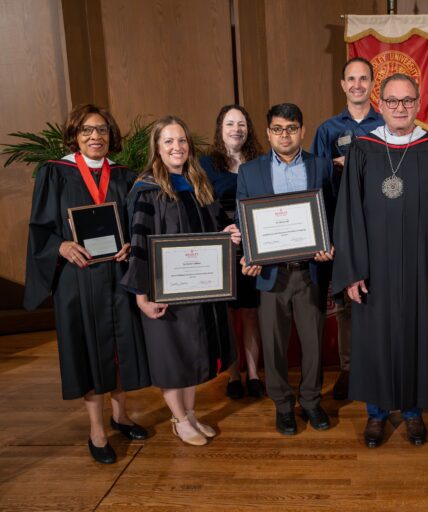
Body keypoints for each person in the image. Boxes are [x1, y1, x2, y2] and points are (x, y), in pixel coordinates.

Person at [332, 73, 428, 448]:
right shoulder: (362, 149)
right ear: (381, 104)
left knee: (417, 338)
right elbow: (348, 214)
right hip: (375, 269)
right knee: (374, 340)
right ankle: (376, 414)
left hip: (422, 268)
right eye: (392, 101)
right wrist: (352, 272)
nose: (400, 108)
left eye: (407, 101)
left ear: (418, 104)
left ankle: (412, 412)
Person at [24, 104, 150, 464]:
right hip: (77, 278)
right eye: (87, 131)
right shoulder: (55, 173)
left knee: (121, 349)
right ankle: (97, 431)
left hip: (117, 274)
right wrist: (60, 245)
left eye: (102, 130)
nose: (95, 137)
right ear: (74, 136)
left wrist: (131, 243)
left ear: (111, 135)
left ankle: (121, 416)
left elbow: (136, 221)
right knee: (87, 350)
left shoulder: (125, 175)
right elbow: (41, 229)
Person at [122, 116, 238, 446]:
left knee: (190, 355)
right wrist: (141, 294)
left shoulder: (197, 184)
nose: (177, 147)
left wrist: (228, 233)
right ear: (157, 148)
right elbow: (140, 243)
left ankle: (190, 416)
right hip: (165, 291)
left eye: (182, 141)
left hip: (197, 287)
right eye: (169, 142)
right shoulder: (149, 190)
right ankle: (178, 419)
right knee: (172, 356)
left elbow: (216, 227)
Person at [239, 103, 336, 436]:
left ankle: (310, 401)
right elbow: (244, 219)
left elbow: (333, 215)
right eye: (278, 129)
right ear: (268, 133)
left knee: (313, 343)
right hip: (270, 274)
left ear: (302, 131)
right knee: (275, 344)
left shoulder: (321, 167)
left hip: (309, 271)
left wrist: (329, 246)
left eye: (291, 128)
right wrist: (248, 254)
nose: (285, 135)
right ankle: (283, 405)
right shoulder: (250, 172)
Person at [310, 57, 384, 400]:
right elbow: (316, 179)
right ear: (343, 85)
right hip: (341, 225)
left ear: (372, 84)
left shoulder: (384, 124)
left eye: (363, 78)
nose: (357, 84)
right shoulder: (327, 129)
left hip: (379, 226)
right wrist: (334, 164)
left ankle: (378, 366)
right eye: (351, 79)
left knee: (378, 298)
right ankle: (348, 369)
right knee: (345, 302)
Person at [200, 104, 265, 400]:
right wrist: (221, 232)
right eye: (230, 124)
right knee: (227, 314)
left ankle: (253, 374)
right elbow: (201, 207)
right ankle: (233, 374)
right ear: (220, 129)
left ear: (248, 129)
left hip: (254, 246)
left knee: (251, 312)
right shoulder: (205, 164)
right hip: (221, 246)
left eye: (241, 123)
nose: (236, 129)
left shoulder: (260, 162)